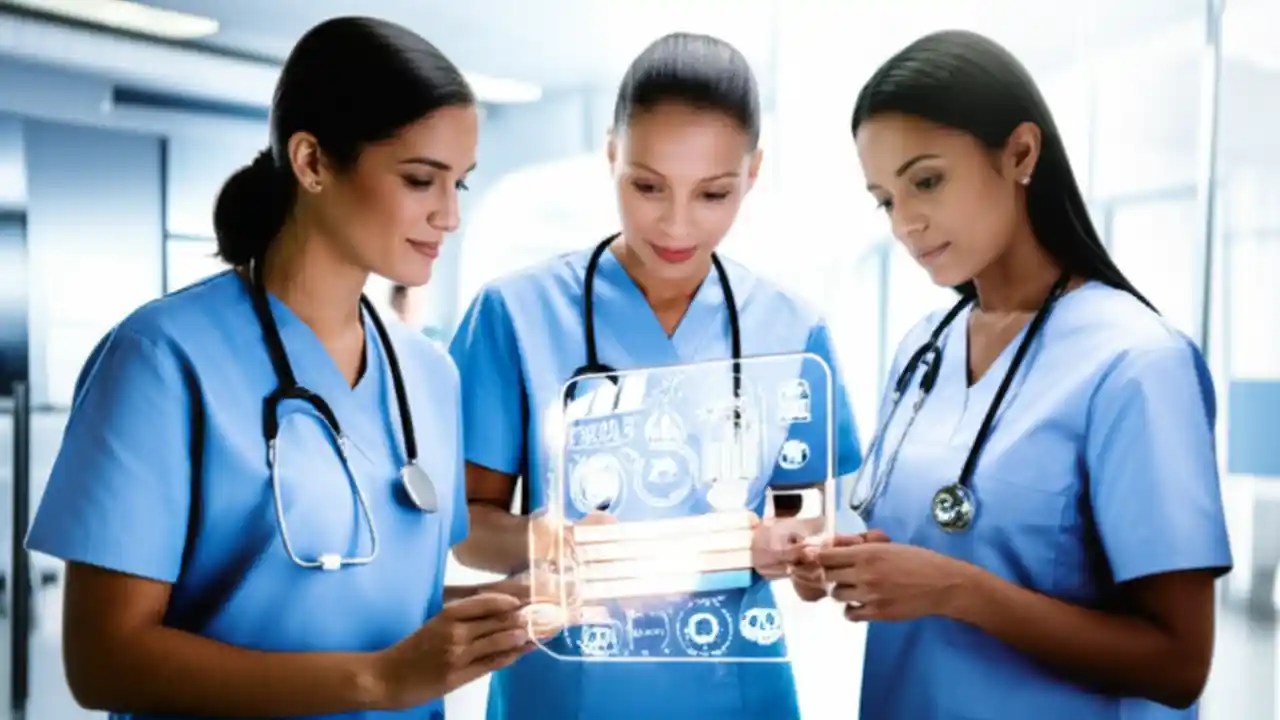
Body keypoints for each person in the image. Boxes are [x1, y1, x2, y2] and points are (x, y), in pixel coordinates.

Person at [24, 17, 531, 720]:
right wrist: (377, 682)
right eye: (421, 180)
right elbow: (104, 659)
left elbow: (374, 602)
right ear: (312, 162)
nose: (448, 216)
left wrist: (498, 611)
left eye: (461, 186)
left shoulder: (430, 377)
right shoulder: (161, 359)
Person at [792, 29, 1233, 719]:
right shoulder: (923, 349)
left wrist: (954, 589)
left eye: (927, 181)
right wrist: (849, 562)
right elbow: (935, 539)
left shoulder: (1136, 364)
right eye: (885, 200)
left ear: (1021, 153)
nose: (905, 223)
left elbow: (1179, 664)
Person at [448, 32, 863, 720]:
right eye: (646, 186)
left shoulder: (794, 329)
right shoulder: (515, 313)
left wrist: (801, 553)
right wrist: (556, 541)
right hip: (566, 689)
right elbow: (465, 529)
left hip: (737, 690)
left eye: (714, 193)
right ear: (611, 152)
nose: (675, 224)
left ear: (753, 172)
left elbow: (803, 525)